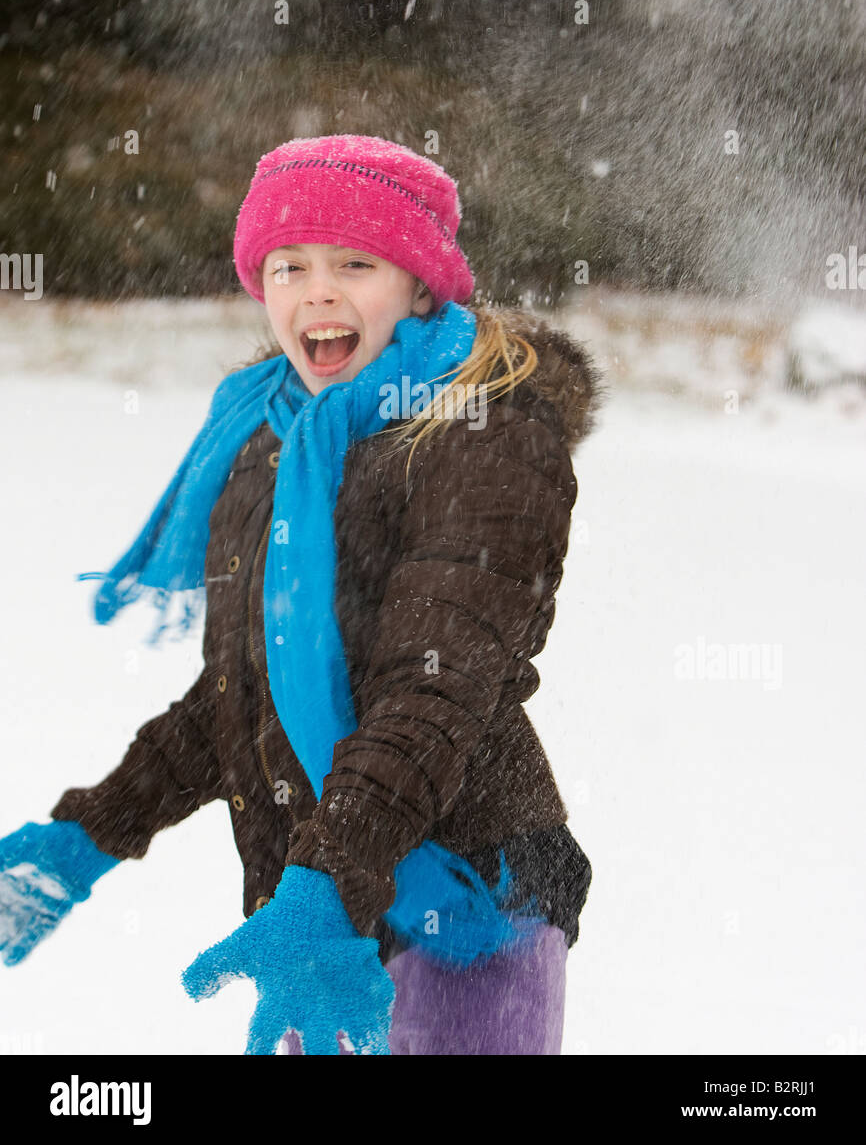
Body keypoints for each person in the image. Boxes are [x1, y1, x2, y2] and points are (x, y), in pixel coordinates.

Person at [0, 134, 602, 1055]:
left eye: (355, 263)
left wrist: (327, 890)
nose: (316, 291)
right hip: (310, 905)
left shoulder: (487, 436)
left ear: (421, 287)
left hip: (464, 896)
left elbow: (433, 691)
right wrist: (87, 836)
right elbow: (240, 698)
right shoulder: (265, 443)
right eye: (288, 266)